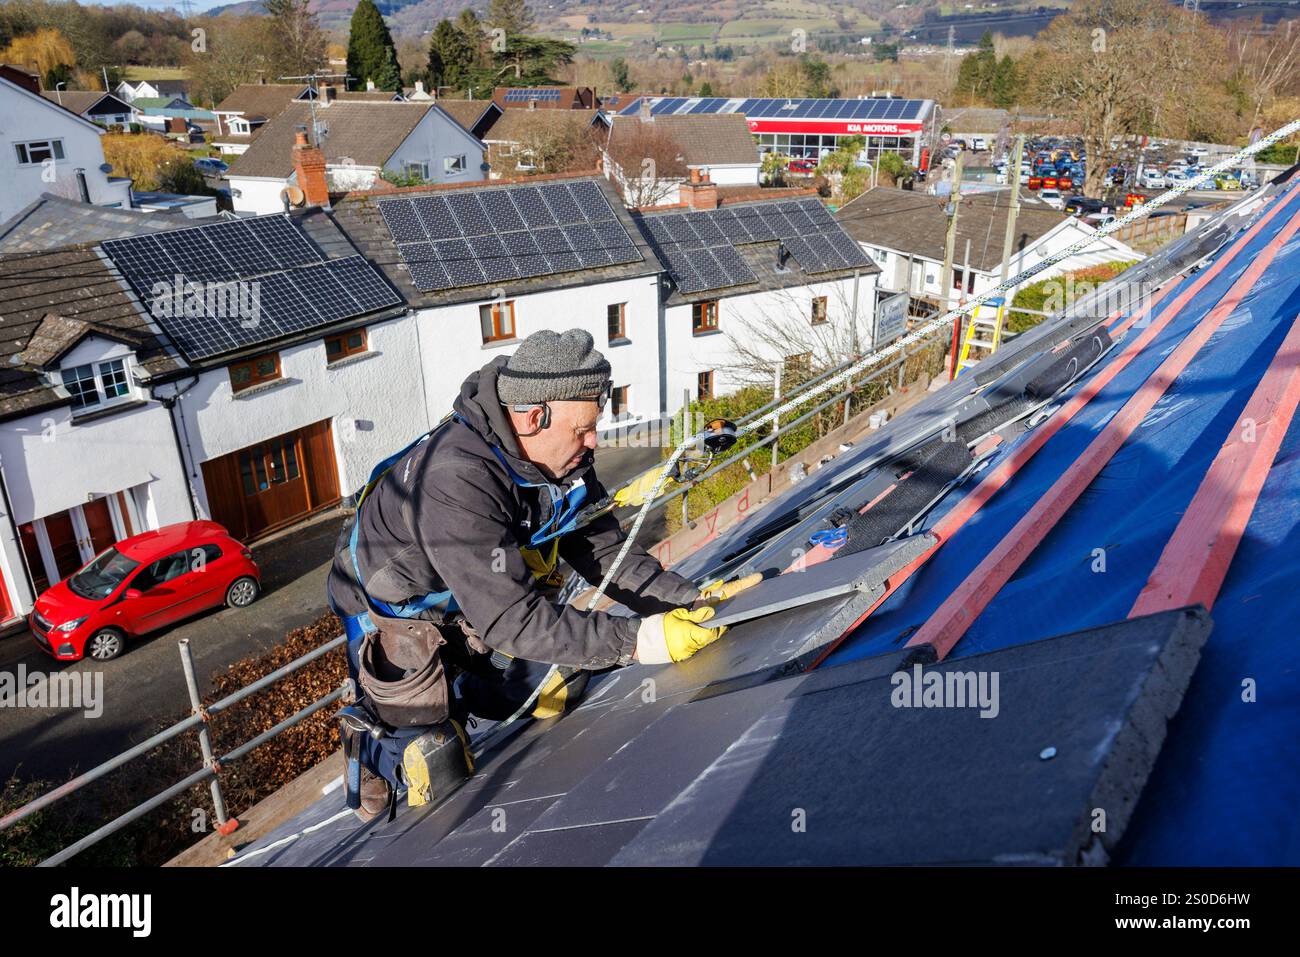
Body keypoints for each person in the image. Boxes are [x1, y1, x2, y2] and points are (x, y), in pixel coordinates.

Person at [326, 329, 757, 819]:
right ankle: (371, 736)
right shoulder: (457, 477)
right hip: (391, 607)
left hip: (471, 591)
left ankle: (468, 688)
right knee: (436, 757)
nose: (595, 441)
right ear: (534, 417)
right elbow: (512, 620)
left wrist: (683, 599)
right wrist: (641, 641)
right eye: (583, 430)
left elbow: (602, 551)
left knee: (565, 678)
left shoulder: (563, 457)